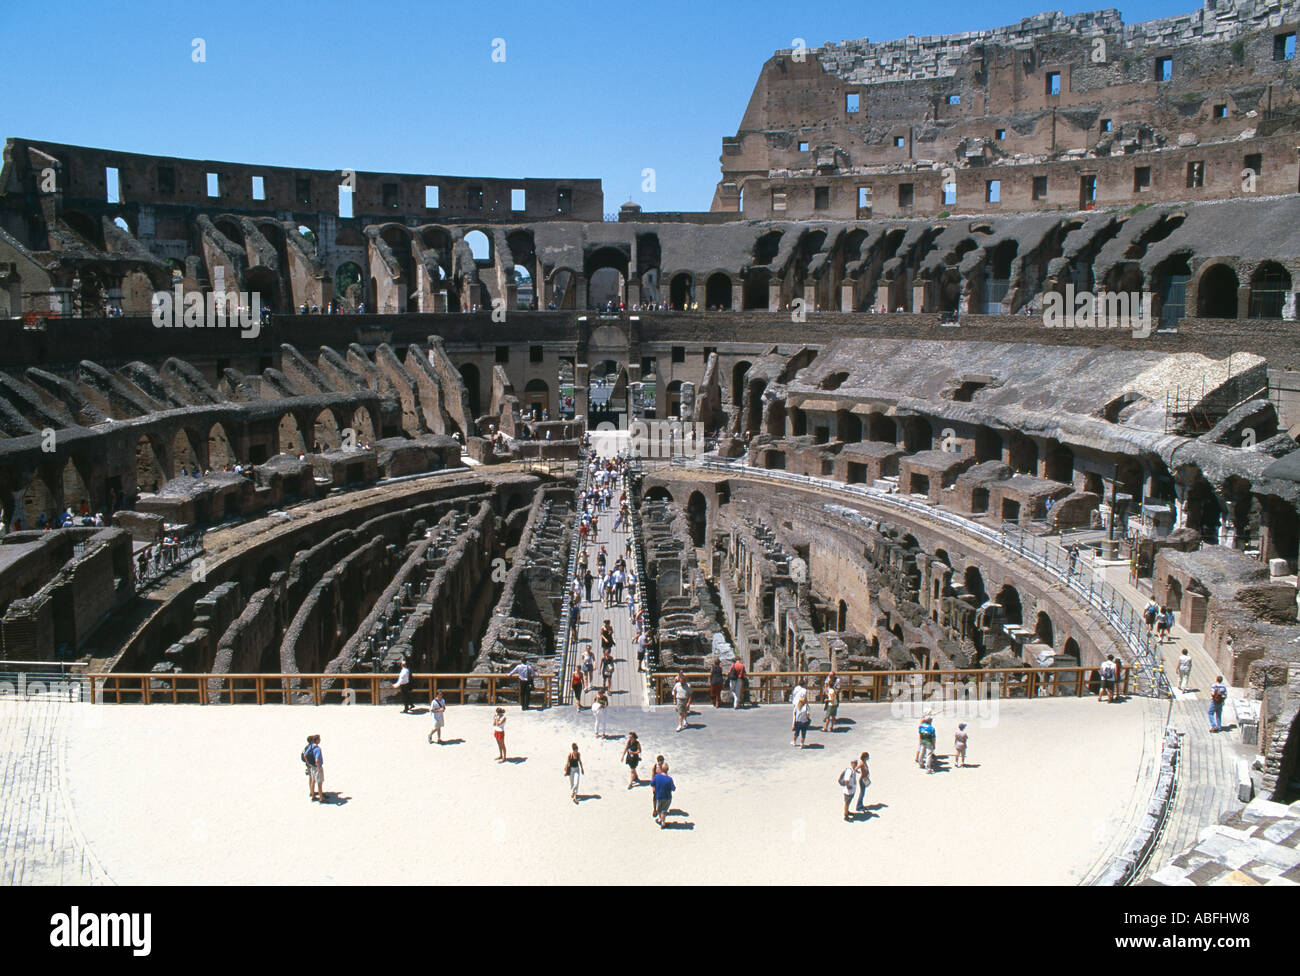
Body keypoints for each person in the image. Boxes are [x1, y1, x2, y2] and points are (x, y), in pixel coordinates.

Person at [651, 761, 675, 828]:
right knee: (664, 811)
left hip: (659, 796)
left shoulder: (657, 777)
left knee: (659, 809)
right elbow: (673, 788)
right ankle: (663, 823)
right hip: (667, 797)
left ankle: (660, 819)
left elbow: (651, 783)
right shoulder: (669, 779)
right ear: (667, 770)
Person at [302, 734, 324, 801]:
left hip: (311, 766)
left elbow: (305, 755)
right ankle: (321, 798)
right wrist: (319, 768)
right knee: (319, 783)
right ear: (316, 740)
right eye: (319, 739)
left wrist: (308, 764)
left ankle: (313, 795)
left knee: (313, 780)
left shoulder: (310, 746)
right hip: (316, 767)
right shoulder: (317, 749)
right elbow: (317, 760)